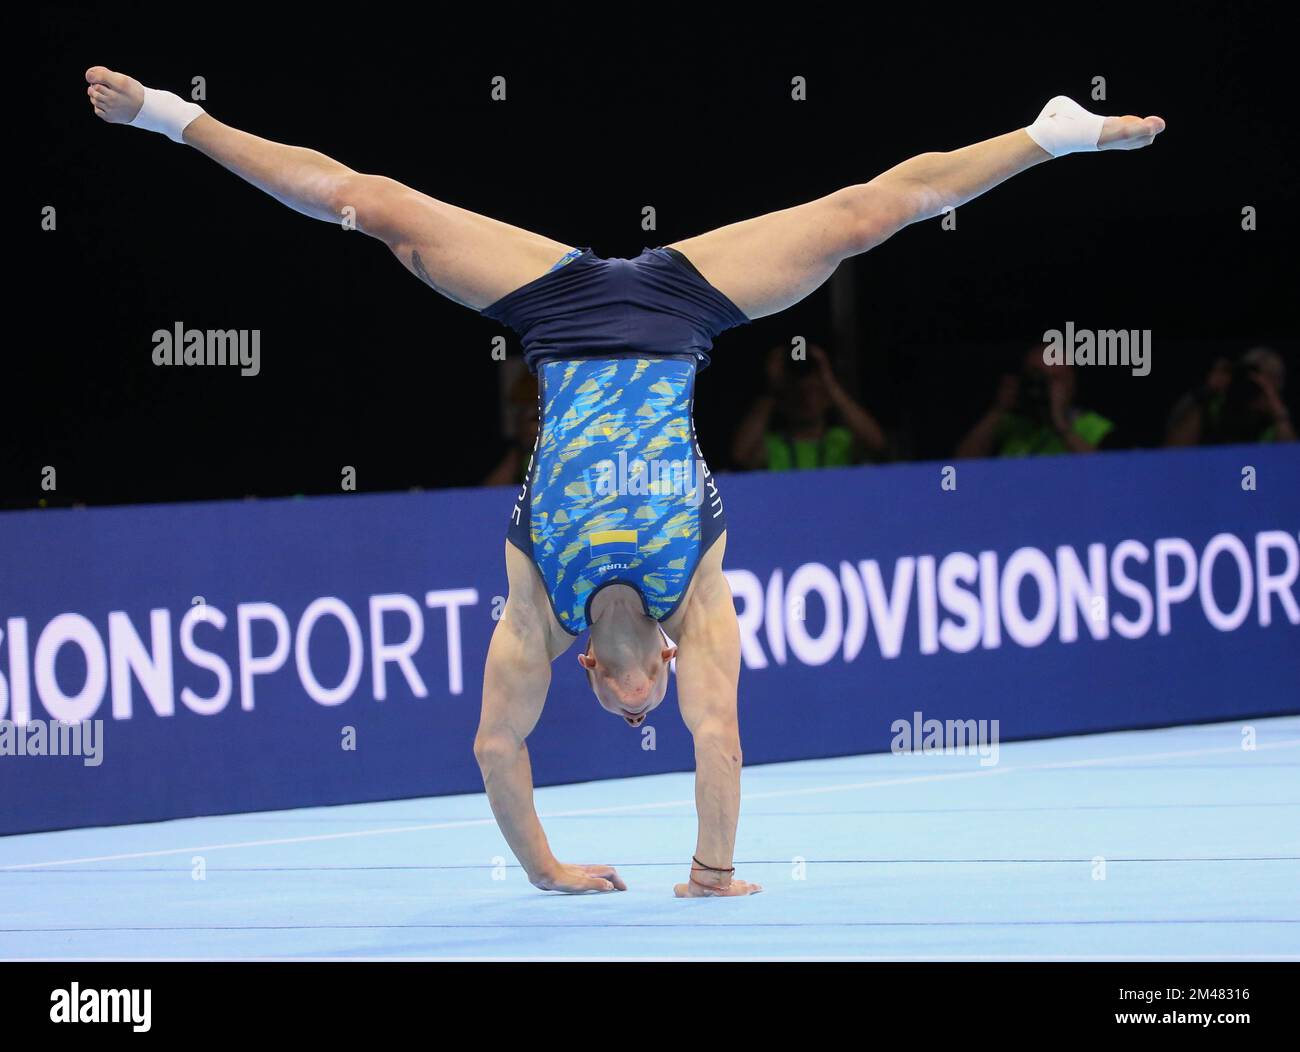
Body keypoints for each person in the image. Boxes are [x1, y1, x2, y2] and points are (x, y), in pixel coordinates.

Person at [86, 68, 1164, 895]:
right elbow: (722, 736)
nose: (640, 692)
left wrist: (546, 869)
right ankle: (1048, 134)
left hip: (551, 318)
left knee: (375, 207)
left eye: (623, 697)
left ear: (594, 680)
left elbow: (496, 746)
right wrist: (707, 872)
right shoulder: (697, 594)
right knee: (859, 218)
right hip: (681, 315)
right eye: (649, 690)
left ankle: (171, 116)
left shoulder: (534, 617)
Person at [732, 344, 887, 469]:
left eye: (815, 391)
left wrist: (828, 380)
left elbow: (876, 444)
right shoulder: (775, 446)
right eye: (797, 392)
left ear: (828, 398)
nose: (806, 399)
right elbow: (741, 455)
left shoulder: (841, 440)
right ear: (782, 401)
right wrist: (772, 387)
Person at [955, 345, 1115, 457]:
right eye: (1036, 378)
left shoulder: (1092, 425)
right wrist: (997, 410)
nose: (1042, 388)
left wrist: (1060, 424)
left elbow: (1105, 474)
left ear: (1071, 383)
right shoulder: (1011, 424)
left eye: (1054, 379)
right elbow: (961, 466)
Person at [1165, 347, 1296, 446]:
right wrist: (1206, 393)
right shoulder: (1214, 403)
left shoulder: (1279, 416)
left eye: (1269, 379)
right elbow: (1174, 452)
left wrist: (1276, 408)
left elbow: (1291, 460)